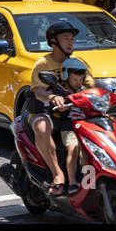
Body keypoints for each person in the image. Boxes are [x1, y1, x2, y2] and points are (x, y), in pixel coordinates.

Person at [25, 19, 87, 196]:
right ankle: (57, 174)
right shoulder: (43, 64)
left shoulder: (78, 62)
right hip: (45, 112)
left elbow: (91, 85)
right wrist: (52, 97)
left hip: (71, 114)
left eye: (72, 39)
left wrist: (110, 95)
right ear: (53, 41)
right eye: (66, 38)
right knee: (42, 126)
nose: (70, 42)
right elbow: (38, 92)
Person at [49, 56, 116, 189]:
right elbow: (55, 101)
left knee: (93, 151)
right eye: (74, 79)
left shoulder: (84, 91)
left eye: (80, 80)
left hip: (86, 127)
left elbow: (100, 95)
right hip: (69, 127)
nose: (77, 82)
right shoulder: (61, 92)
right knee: (73, 150)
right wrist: (60, 103)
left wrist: (115, 97)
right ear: (66, 77)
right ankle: (73, 182)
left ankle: (89, 182)